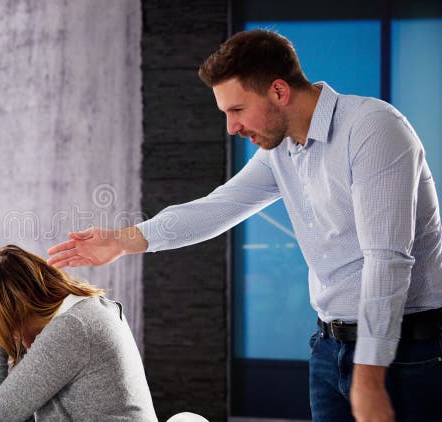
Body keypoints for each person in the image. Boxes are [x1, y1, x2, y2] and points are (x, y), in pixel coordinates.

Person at [47, 29, 442, 421]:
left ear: (279, 91)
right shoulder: (284, 149)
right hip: (329, 349)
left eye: (237, 110)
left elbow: (387, 259)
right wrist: (122, 241)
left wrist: (369, 378)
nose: (231, 127)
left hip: (404, 354)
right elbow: (218, 207)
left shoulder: (372, 129)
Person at [0, 244, 157, 421]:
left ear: (16, 310)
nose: (14, 338)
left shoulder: (72, 329)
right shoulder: (89, 311)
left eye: (9, 329)